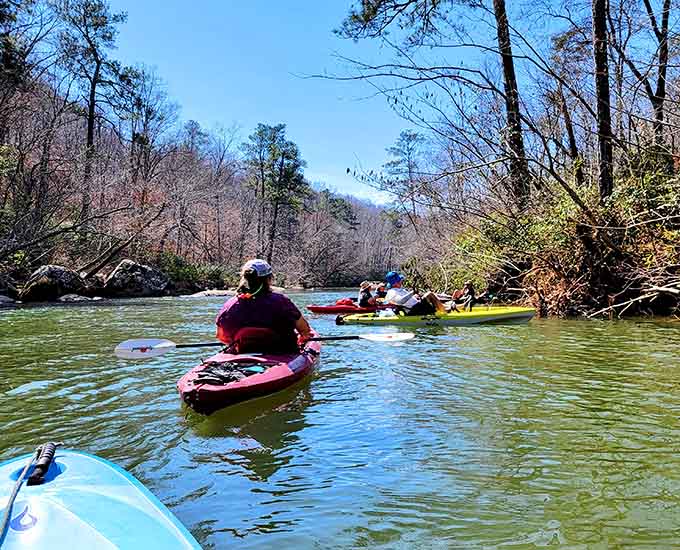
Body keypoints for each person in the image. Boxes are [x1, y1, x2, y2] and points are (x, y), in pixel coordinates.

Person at [215, 259, 313, 353]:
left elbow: (222, 337)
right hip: (283, 353)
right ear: (268, 279)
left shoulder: (229, 305)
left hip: (243, 352)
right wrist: (301, 340)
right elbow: (305, 331)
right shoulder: (282, 302)